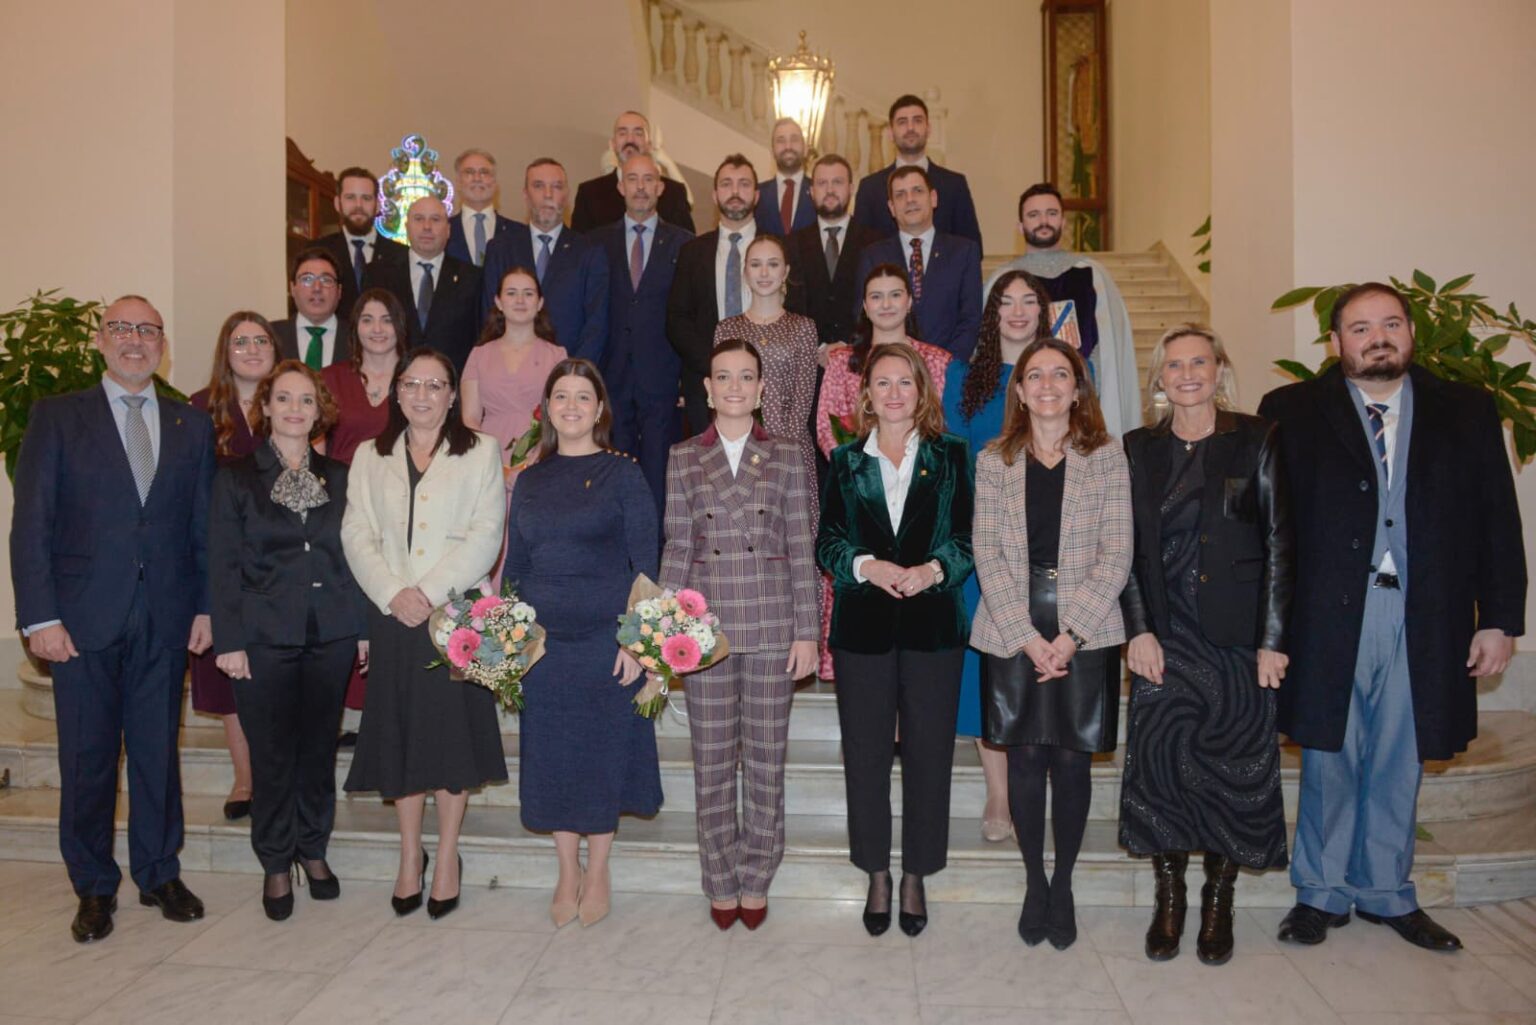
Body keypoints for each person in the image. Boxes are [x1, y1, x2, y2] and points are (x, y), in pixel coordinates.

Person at [1259, 283, 1525, 952]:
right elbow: (1269, 529)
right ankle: (1319, 893)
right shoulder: (1289, 411)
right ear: (1335, 342)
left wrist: (1499, 617)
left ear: (1410, 332)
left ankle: (1385, 892)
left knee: (1400, 755)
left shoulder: (1465, 409)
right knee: (1330, 754)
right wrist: (1267, 626)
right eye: (1359, 327)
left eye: (1390, 323)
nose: (1377, 336)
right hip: (1328, 614)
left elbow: (1499, 517)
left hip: (1427, 612)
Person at [11, 295, 215, 943]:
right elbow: (31, 526)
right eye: (122, 329)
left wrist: (207, 605)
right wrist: (39, 616)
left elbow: (201, 528)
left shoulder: (191, 425)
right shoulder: (57, 417)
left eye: (148, 331)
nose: (135, 340)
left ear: (164, 346)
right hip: (80, 620)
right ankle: (94, 885)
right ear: (101, 340)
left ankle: (159, 872)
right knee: (89, 758)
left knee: (158, 754)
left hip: (164, 616)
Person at [1119, 325, 1293, 965]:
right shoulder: (1138, 449)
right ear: (1158, 380)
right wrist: (1136, 628)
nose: (1187, 374)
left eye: (1199, 362)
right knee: (1164, 770)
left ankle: (1219, 901)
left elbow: (1280, 542)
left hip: (1237, 640)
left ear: (1218, 369)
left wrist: (1273, 639)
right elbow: (1127, 550)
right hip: (1164, 636)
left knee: (1231, 772)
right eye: (1174, 365)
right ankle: (1171, 899)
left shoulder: (1256, 438)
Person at [969, 337, 1132, 951]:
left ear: (1077, 387)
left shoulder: (1107, 457)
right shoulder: (994, 459)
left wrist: (1069, 637)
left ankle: (1063, 883)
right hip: (1012, 625)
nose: (1045, 385)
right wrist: (1027, 638)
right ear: (1018, 390)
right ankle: (1034, 881)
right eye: (1033, 375)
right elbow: (987, 553)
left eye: (1059, 375)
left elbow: (1117, 554)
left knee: (1070, 759)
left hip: (1085, 629)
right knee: (1027, 758)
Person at [341, 347, 508, 921]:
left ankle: (448, 857)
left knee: (452, 741)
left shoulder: (481, 450)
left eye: (435, 385)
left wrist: (428, 592)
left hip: (457, 614)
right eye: (412, 384)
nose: (422, 395)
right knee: (401, 737)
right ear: (397, 391)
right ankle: (410, 854)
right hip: (391, 614)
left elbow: (487, 536)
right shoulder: (370, 454)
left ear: (451, 393)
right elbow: (355, 531)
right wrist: (393, 593)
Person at [660, 339, 819, 930]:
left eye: (745, 377)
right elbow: (677, 547)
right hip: (704, 631)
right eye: (722, 376)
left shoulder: (786, 456)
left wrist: (809, 630)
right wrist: (663, 632)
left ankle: (757, 875)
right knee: (711, 762)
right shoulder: (681, 457)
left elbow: (802, 547)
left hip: (774, 623)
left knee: (766, 762)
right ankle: (719, 878)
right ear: (706, 388)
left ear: (760, 388)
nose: (733, 387)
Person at [817, 341, 973, 938]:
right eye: (881, 383)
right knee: (866, 755)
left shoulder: (952, 455)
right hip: (862, 630)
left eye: (904, 382)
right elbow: (826, 542)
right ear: (865, 396)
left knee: (930, 756)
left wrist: (932, 570)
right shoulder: (846, 462)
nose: (893, 393)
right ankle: (877, 872)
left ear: (921, 391)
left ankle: (916, 873)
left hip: (934, 628)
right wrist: (865, 566)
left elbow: (966, 539)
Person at [504, 358, 663, 928]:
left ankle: (598, 870)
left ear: (599, 410)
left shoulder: (624, 474)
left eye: (582, 397)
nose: (571, 407)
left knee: (600, 757)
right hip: (544, 646)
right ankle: (566, 869)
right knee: (552, 757)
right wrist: (509, 648)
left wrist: (637, 643)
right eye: (561, 397)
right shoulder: (529, 477)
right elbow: (515, 568)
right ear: (546, 409)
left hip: (605, 641)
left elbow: (646, 562)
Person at [208, 361, 366, 921]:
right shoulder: (236, 477)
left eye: (305, 400)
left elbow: (358, 556)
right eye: (284, 399)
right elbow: (222, 565)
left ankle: (313, 849)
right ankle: (276, 860)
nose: (295, 409)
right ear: (266, 407)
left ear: (319, 409)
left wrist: (363, 628)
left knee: (319, 751)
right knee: (272, 756)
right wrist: (229, 639)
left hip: (332, 633)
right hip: (261, 638)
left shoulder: (342, 476)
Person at [940, 271, 1053, 844]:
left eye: (1028, 301)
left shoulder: (1059, 374)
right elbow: (955, 458)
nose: (1017, 311)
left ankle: (1035, 777)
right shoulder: (963, 377)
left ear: (1043, 311)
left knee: (1035, 659)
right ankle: (999, 793)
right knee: (985, 668)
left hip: (1048, 544)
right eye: (1005, 302)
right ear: (991, 314)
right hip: (983, 539)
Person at [815, 264, 951, 680]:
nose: (886, 304)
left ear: (909, 302)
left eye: (895, 294)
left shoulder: (936, 360)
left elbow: (937, 423)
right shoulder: (843, 362)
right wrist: (865, 476)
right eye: (877, 295)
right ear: (864, 305)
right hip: (859, 493)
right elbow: (826, 424)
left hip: (918, 493)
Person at [189, 311, 278, 823]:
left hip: (279, 563)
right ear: (226, 351)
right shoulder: (199, 411)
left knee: (274, 673)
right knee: (229, 681)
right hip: (221, 563)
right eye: (239, 341)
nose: (249, 348)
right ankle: (245, 778)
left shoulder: (291, 399)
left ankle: (274, 773)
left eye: (259, 339)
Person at [322, 289, 410, 739]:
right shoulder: (332, 379)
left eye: (386, 319)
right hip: (341, 507)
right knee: (346, 602)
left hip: (401, 509)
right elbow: (315, 445)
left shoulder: (415, 379)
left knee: (388, 597)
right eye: (367, 319)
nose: (377, 329)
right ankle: (346, 708)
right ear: (353, 327)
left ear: (400, 326)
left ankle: (383, 706)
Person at [987, 183, 1140, 438]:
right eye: (1033, 215)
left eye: (1051, 213)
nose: (1043, 221)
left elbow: (1109, 348)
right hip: (1024, 404)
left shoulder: (1093, 275)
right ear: (1020, 226)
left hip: (1082, 401)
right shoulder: (1002, 280)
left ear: (1064, 222)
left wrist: (1092, 392)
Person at [595, 153, 693, 514]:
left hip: (662, 380)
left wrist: (684, 378)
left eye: (648, 179)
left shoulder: (684, 244)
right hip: (611, 377)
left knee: (658, 480)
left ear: (660, 188)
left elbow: (688, 314)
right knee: (612, 475)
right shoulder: (596, 244)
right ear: (620, 186)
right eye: (632, 179)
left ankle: (655, 562)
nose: (640, 187)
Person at [711, 235, 820, 505]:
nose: (764, 272)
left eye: (772, 264)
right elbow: (721, 397)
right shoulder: (726, 329)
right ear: (745, 271)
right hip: (735, 448)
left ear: (785, 272)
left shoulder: (804, 327)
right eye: (756, 264)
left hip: (790, 446)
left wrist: (778, 453)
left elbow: (802, 400)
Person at [481, 157, 609, 362]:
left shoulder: (589, 251)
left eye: (556, 187)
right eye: (538, 186)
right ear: (525, 194)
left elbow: (596, 323)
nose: (548, 195)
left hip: (570, 375)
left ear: (566, 196)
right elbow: (490, 315)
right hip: (509, 372)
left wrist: (574, 373)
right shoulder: (501, 249)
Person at [669, 154, 760, 435]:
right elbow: (677, 319)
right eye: (726, 184)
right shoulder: (692, 252)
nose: (735, 192)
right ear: (714, 194)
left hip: (765, 385)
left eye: (744, 184)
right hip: (704, 385)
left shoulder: (777, 250)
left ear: (756, 195)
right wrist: (715, 366)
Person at [856, 166, 983, 361]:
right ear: (891, 207)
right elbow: (864, 319)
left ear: (933, 198)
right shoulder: (872, 255)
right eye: (900, 195)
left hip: (948, 371)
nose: (910, 200)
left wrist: (943, 367)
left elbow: (970, 319)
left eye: (917, 191)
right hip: (889, 373)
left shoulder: (964, 252)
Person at [363, 195, 484, 375]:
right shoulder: (378, 274)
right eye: (419, 219)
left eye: (435, 220)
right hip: (391, 382)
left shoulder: (472, 278)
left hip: (452, 387)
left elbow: (478, 340)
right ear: (406, 227)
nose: (427, 227)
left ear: (448, 230)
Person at [462, 266, 568, 464]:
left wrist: (542, 450)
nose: (520, 300)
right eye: (511, 293)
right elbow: (470, 417)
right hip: (488, 455)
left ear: (540, 303)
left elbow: (563, 413)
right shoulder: (479, 355)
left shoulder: (557, 356)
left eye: (528, 294)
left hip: (543, 455)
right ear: (498, 302)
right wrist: (485, 456)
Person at [852, 94, 982, 249]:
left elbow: (973, 248)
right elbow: (860, 252)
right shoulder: (870, 189)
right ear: (890, 133)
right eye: (902, 122)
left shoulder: (954, 185)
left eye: (917, 121)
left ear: (928, 129)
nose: (910, 128)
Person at [786, 154, 882, 355]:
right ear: (811, 191)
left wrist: (851, 347)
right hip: (807, 364)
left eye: (837, 182)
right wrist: (818, 348)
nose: (829, 190)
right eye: (822, 183)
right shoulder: (790, 244)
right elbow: (788, 307)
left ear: (851, 188)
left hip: (862, 360)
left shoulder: (876, 243)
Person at [571, 110, 694, 232]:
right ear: (613, 144)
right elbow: (579, 249)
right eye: (622, 133)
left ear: (649, 145)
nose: (630, 140)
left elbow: (688, 248)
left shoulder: (674, 193)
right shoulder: (589, 193)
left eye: (638, 133)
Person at [312, 166, 406, 322]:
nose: (359, 205)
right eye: (350, 197)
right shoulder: (317, 252)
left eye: (366, 198)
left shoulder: (402, 256)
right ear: (337, 203)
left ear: (377, 205)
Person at [273, 248, 346, 368]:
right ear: (292, 288)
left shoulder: (357, 338)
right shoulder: (271, 335)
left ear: (339, 291)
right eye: (307, 279)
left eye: (326, 280)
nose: (317, 288)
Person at [447, 148, 515, 267]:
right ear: (458, 182)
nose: (477, 179)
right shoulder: (443, 231)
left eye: (484, 172)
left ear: (494, 182)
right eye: (469, 172)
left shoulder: (517, 233)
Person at [755, 118, 815, 236]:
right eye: (781, 140)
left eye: (794, 139)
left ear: (805, 149)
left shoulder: (819, 191)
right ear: (772, 151)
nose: (788, 146)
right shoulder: (756, 194)